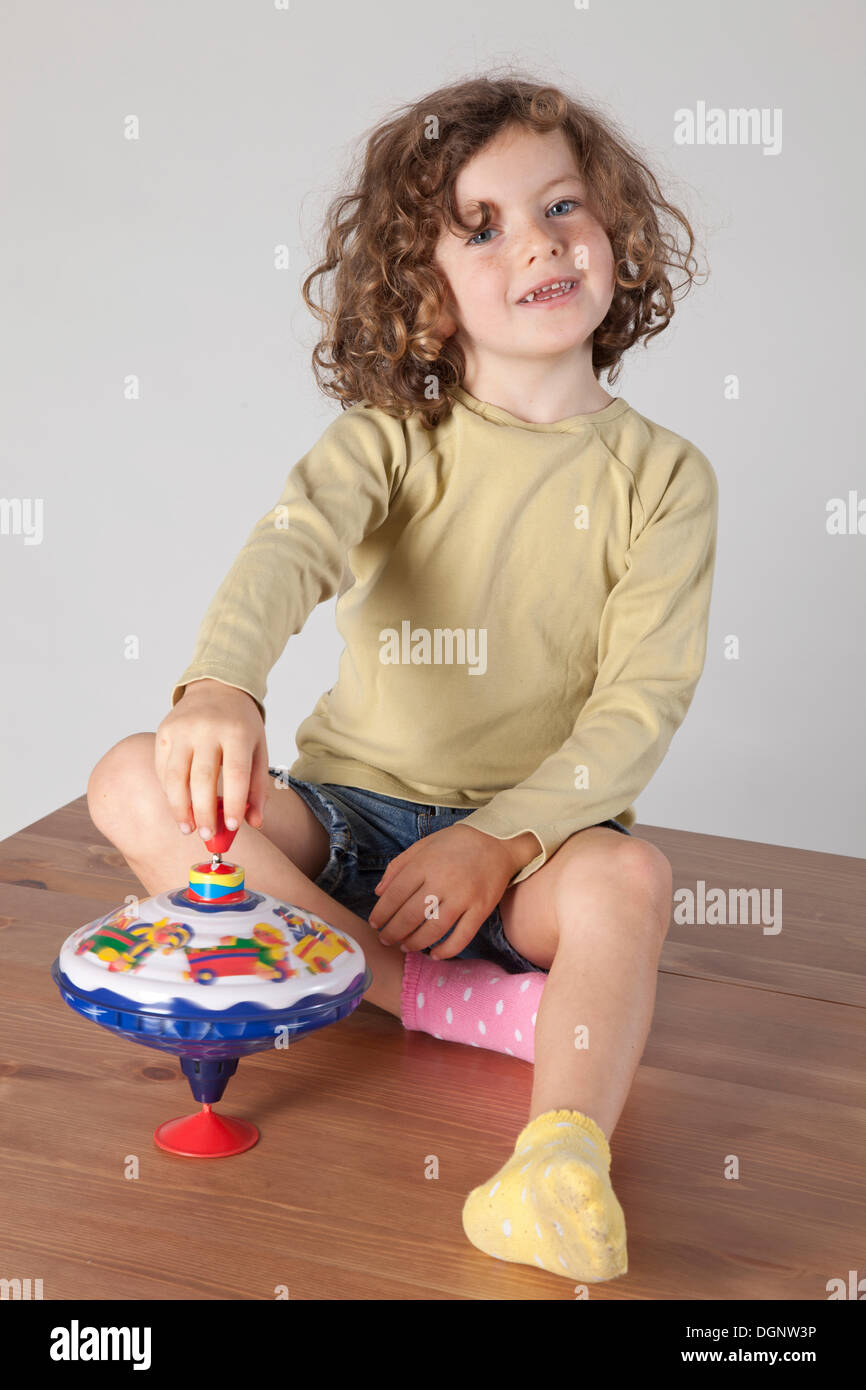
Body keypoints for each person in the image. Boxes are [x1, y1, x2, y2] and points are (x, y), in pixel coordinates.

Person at [87, 73, 718, 1285]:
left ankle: (556, 1155)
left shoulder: (665, 478)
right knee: (131, 780)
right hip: (344, 824)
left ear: (613, 236)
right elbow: (289, 550)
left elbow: (636, 709)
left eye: (560, 207)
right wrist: (222, 684)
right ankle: (415, 998)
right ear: (424, 289)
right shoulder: (385, 437)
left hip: (527, 862)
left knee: (632, 876)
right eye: (479, 227)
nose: (534, 241)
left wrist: (501, 838)